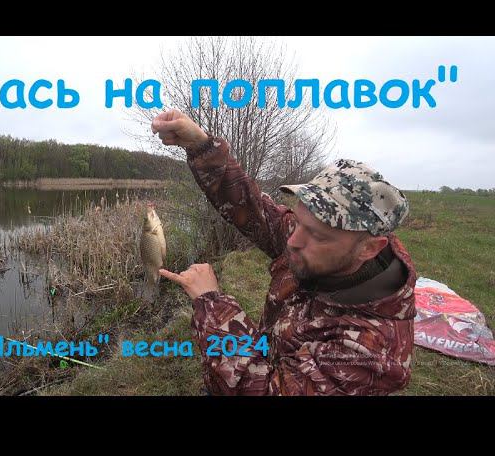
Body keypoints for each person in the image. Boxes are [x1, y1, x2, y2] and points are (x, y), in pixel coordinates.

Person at [152, 108, 416, 396]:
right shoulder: (319, 247)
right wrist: (201, 146)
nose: (292, 241)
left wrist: (213, 303)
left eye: (317, 235)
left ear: (369, 248)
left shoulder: (370, 353)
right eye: (298, 221)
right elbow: (251, 208)